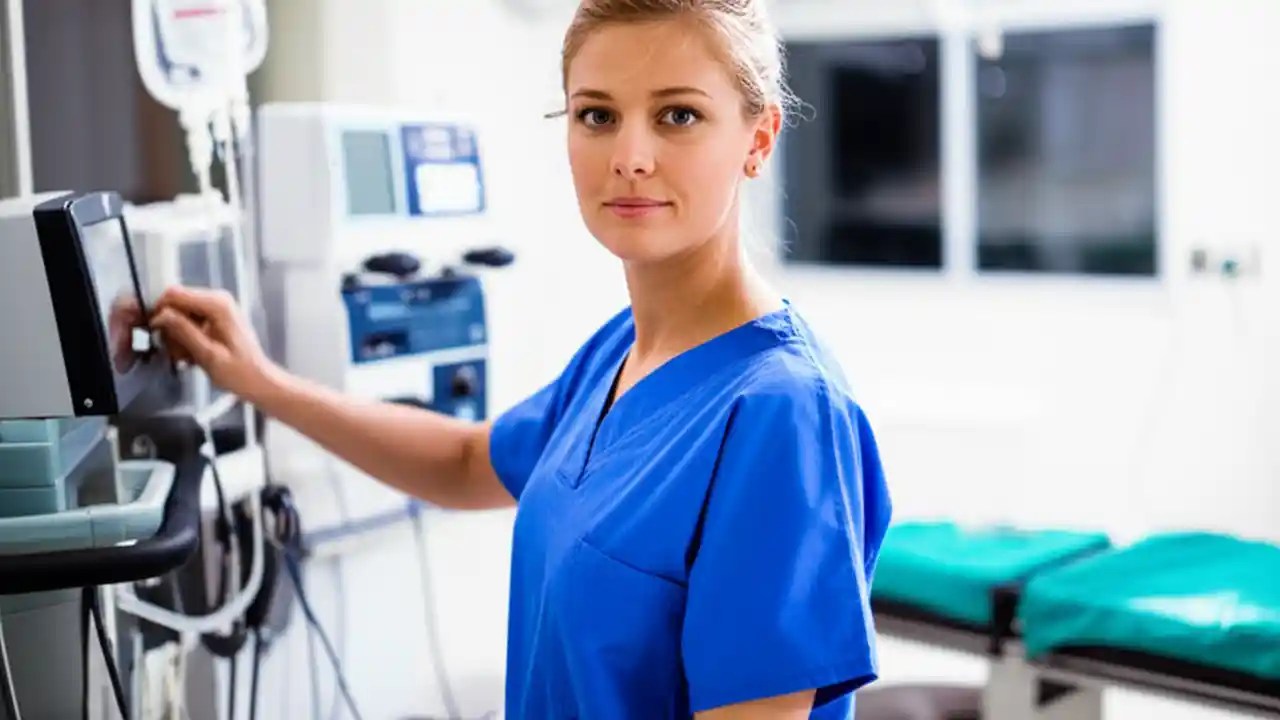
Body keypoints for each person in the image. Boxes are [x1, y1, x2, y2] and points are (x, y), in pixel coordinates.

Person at [150, 0, 893, 717]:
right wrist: (258, 381)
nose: (630, 158)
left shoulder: (780, 413)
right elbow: (469, 463)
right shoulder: (621, 353)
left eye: (678, 115)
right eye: (597, 115)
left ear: (757, 140)